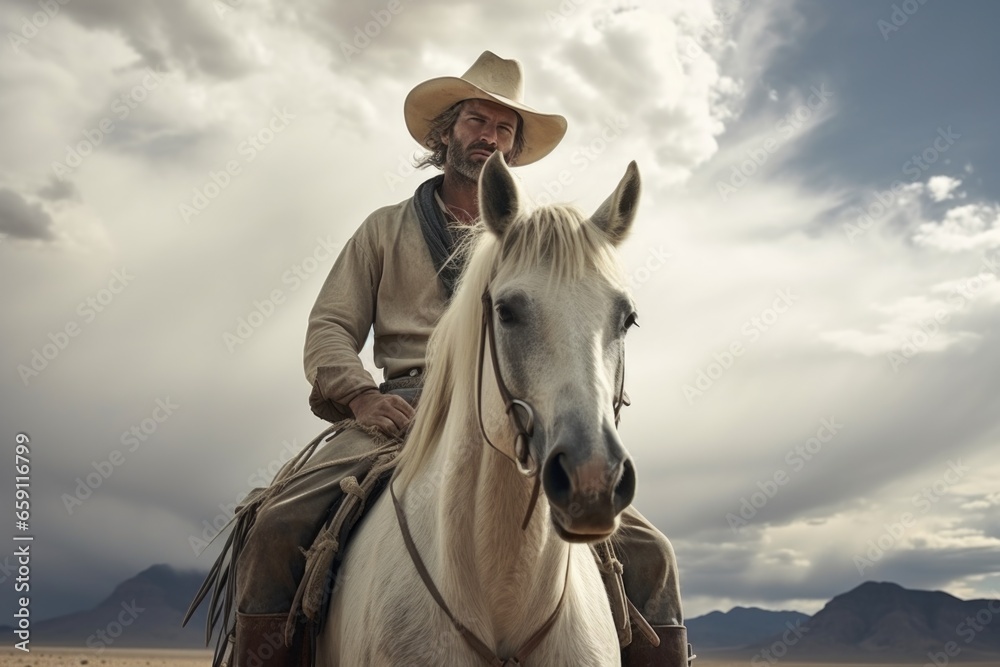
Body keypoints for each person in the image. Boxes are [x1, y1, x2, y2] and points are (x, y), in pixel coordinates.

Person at [230, 51, 692, 666]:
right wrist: (363, 395)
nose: (490, 137)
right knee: (277, 528)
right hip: (399, 410)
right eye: (477, 121)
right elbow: (330, 327)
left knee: (651, 554)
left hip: (517, 406)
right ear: (444, 130)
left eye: (505, 129)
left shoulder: (543, 244)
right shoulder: (384, 229)